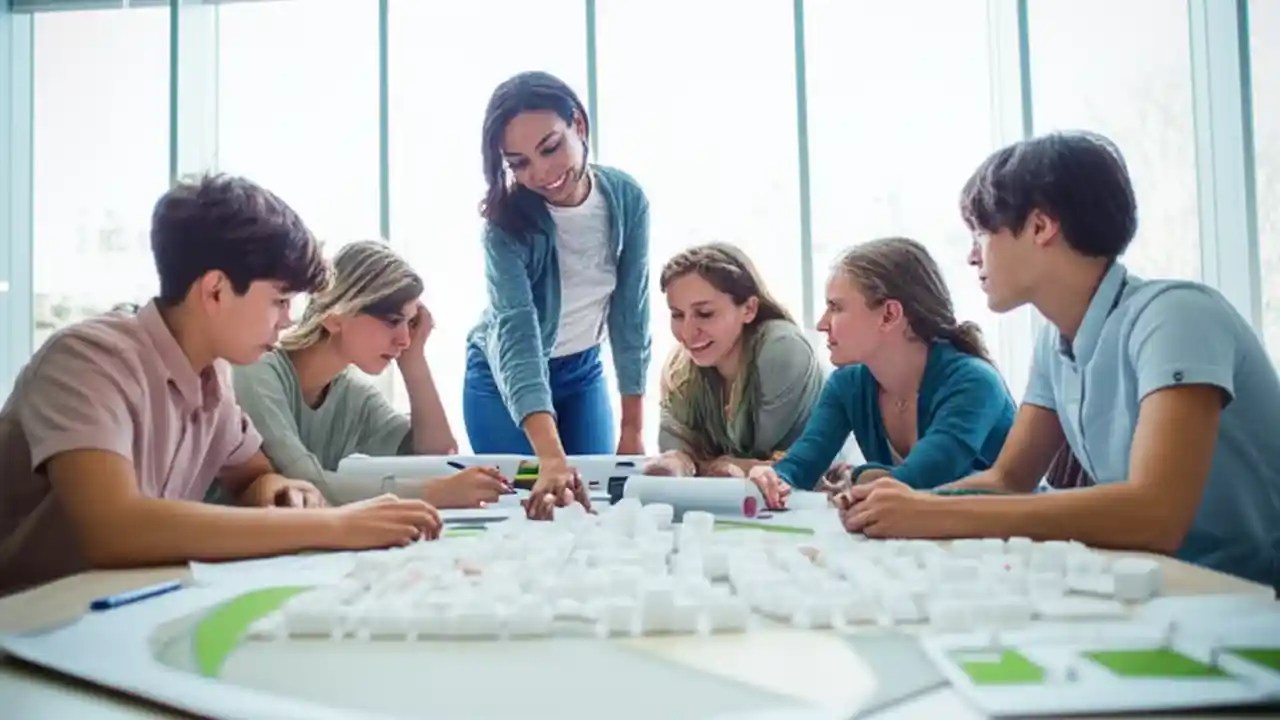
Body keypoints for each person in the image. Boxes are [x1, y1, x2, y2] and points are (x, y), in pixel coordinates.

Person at [833, 132, 1280, 588]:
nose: (971, 256)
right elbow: (1008, 480)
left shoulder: (1175, 316)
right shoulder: (1055, 342)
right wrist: (899, 503)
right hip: (1163, 584)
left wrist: (931, 512)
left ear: (1041, 227)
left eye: (982, 233)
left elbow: (1155, 514)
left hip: (1252, 595)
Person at [0, 175, 440, 595]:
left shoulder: (213, 380)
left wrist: (282, 492)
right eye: (279, 300)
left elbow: (254, 476)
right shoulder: (90, 360)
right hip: (25, 618)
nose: (288, 320)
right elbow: (114, 528)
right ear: (215, 291)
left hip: (110, 608)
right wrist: (333, 525)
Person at [463, 70, 650, 516]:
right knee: (527, 508)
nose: (541, 172)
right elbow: (517, 334)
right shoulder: (505, 227)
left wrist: (633, 429)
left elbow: (631, 314)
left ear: (578, 125)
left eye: (550, 148)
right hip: (505, 380)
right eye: (519, 163)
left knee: (595, 504)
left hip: (582, 371)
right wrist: (549, 457)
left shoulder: (626, 198)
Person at [233, 240, 509, 509]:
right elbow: (304, 483)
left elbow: (435, 456)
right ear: (335, 317)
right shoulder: (257, 371)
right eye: (393, 321)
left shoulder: (352, 395)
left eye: (410, 323)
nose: (404, 339)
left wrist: (414, 362)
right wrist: (434, 492)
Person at [748, 237, 1015, 502]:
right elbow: (798, 469)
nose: (821, 324)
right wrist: (770, 478)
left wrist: (859, 475)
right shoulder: (846, 385)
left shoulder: (973, 382)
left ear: (889, 315)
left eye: (836, 308)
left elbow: (924, 481)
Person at [644, 243, 821, 478]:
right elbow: (671, 453)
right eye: (677, 314)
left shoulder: (782, 349)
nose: (686, 333)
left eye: (705, 314)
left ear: (749, 309)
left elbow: (758, 455)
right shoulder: (681, 367)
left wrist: (698, 463)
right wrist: (690, 461)